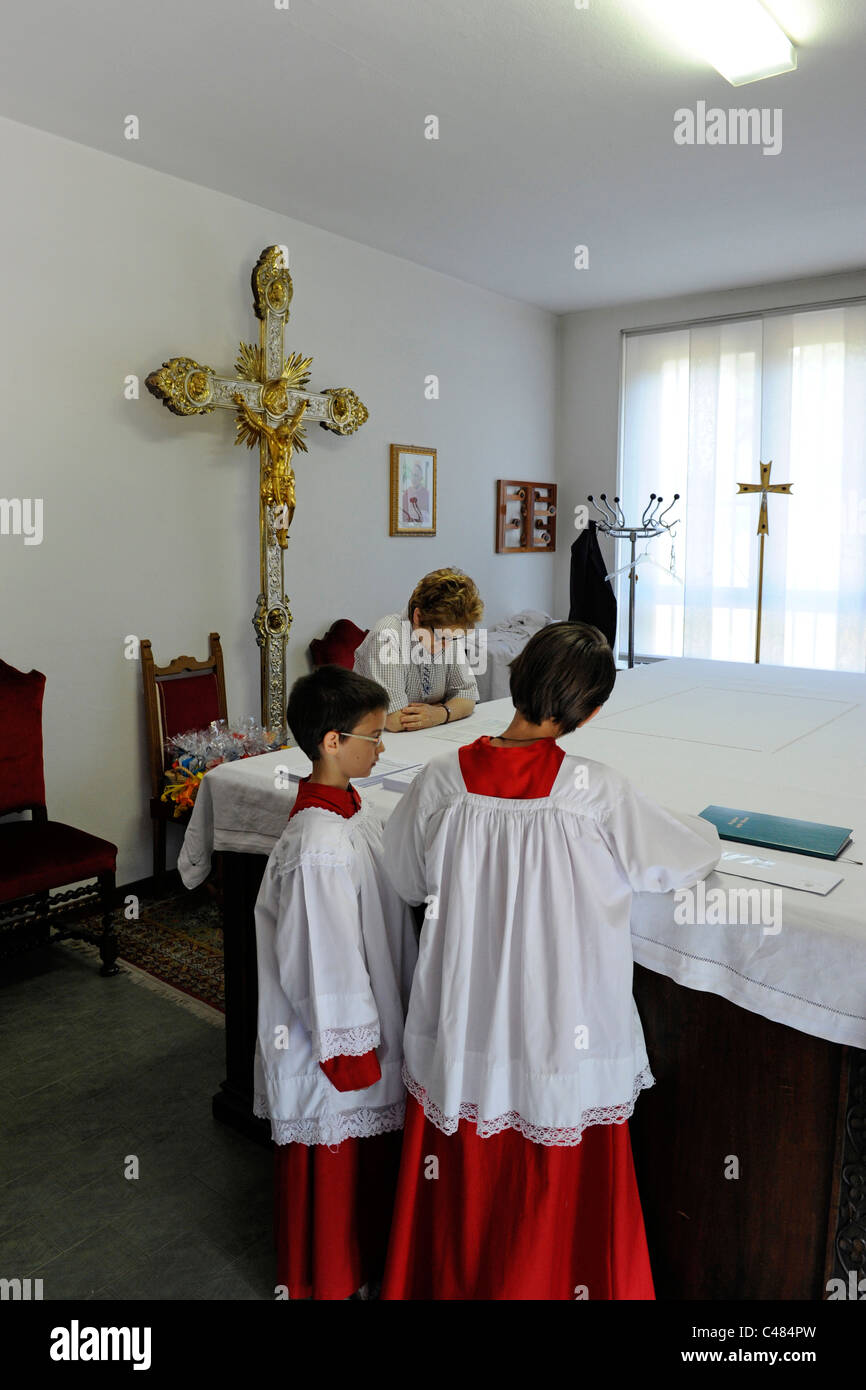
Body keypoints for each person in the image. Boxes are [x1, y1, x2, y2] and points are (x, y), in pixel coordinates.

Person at [378, 621, 721, 1300]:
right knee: (560, 1180)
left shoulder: (442, 778)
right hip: (562, 1027)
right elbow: (677, 858)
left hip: (466, 1023)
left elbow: (407, 879)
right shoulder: (595, 791)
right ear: (590, 713)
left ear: (517, 677)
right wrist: (702, 828)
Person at [253, 665, 418, 1300]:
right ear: (331, 741)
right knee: (336, 1153)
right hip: (335, 1045)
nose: (382, 747)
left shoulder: (354, 813)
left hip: (373, 1024)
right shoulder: (317, 844)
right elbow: (322, 957)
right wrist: (349, 1047)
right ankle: (330, 1276)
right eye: (374, 736)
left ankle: (364, 1266)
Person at [353, 567, 483, 733]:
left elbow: (468, 697)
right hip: (375, 741)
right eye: (441, 638)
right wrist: (447, 707)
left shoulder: (447, 633)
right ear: (418, 617)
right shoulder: (387, 635)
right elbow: (394, 721)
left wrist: (439, 713)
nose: (447, 646)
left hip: (423, 737)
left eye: (453, 638)